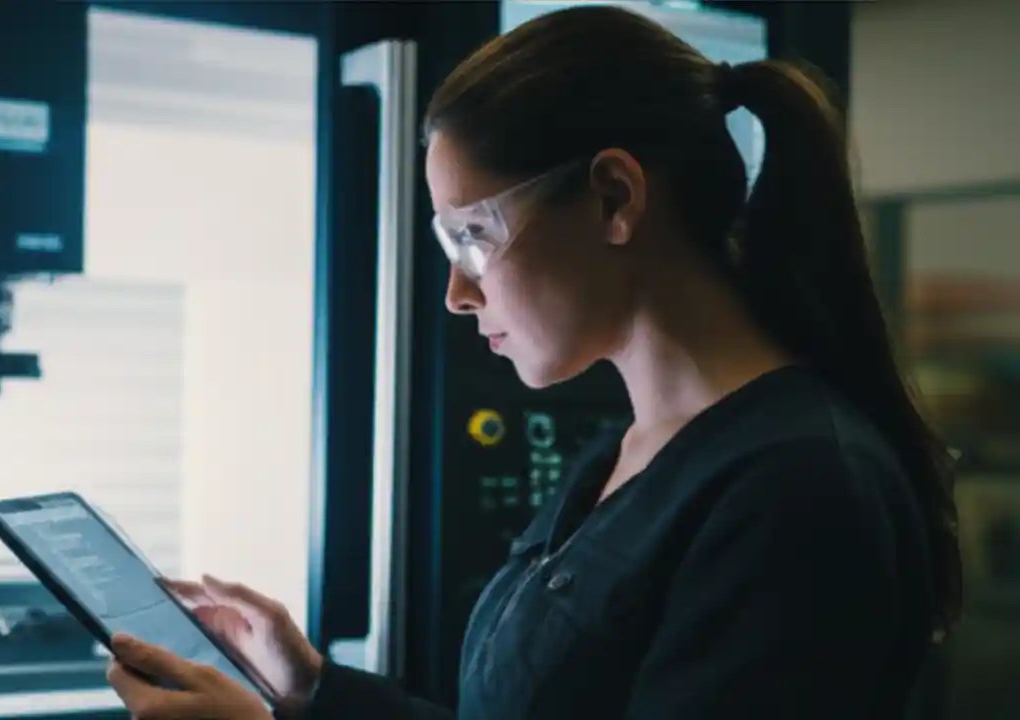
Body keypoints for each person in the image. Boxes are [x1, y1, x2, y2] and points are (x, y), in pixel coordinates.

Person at [105, 6, 960, 719]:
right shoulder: (631, 452)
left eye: (474, 236)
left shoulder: (799, 489)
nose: (456, 293)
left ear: (614, 198)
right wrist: (315, 691)